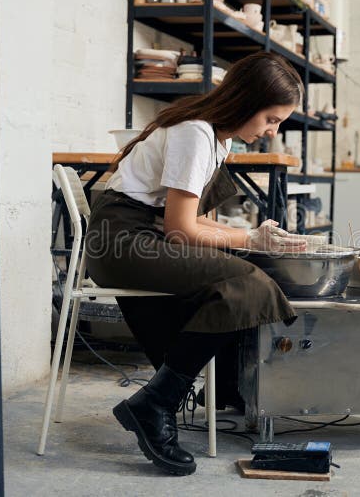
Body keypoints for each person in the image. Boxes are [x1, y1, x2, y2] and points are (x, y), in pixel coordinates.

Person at [85, 51, 307, 476]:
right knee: (246, 284)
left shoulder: (217, 139)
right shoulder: (195, 134)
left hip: (142, 233)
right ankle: (155, 404)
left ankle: (227, 387)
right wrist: (246, 238)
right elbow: (180, 229)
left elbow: (195, 221)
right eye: (271, 119)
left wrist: (250, 240)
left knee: (246, 269)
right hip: (120, 241)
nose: (272, 131)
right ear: (246, 101)